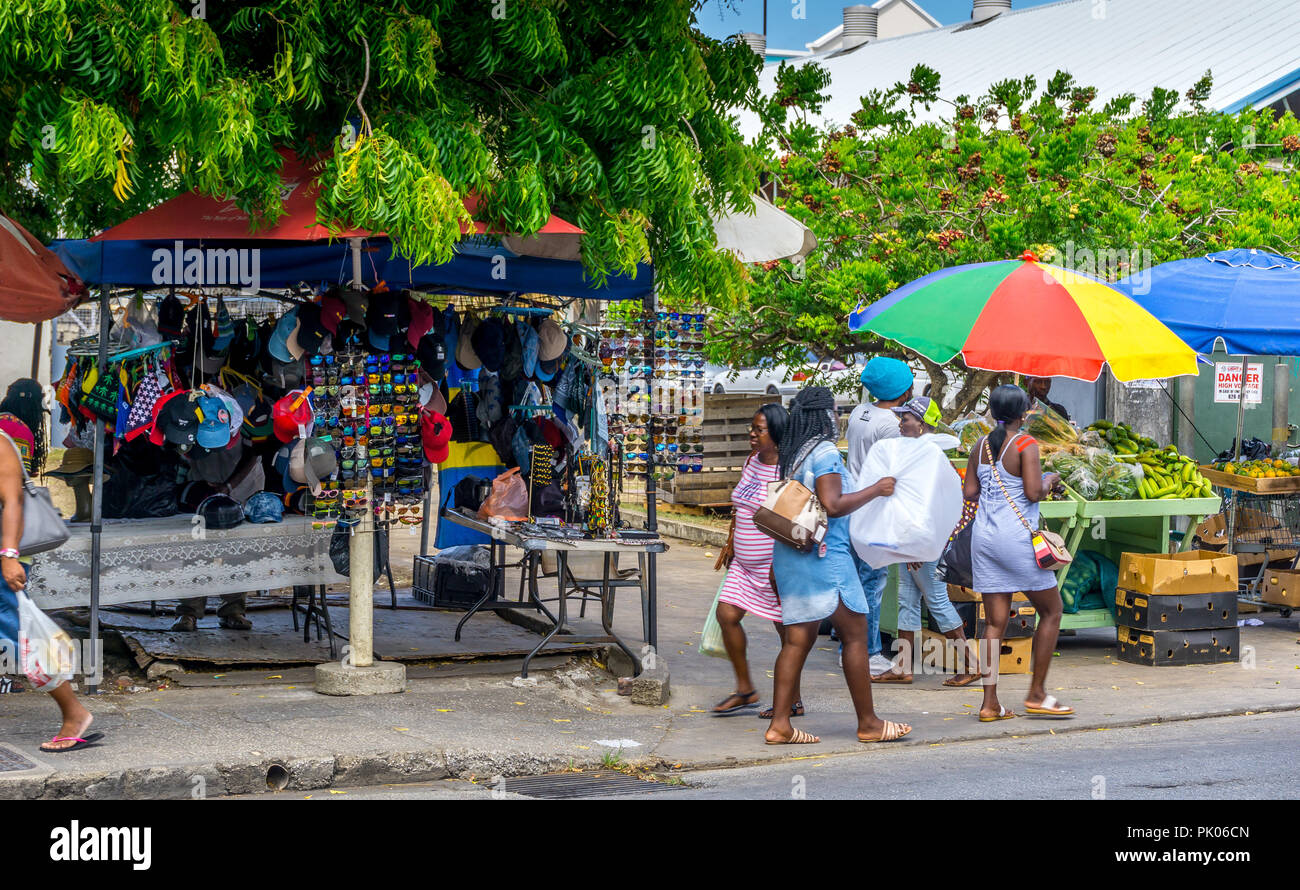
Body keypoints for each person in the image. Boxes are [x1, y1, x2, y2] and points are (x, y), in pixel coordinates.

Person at [764, 386, 910, 745]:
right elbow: (832, 503)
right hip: (825, 559)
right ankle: (869, 724)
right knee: (857, 635)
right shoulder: (825, 451)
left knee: (797, 641)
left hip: (790, 558)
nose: (836, 416)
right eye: (833, 411)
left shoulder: (795, 453)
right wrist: (876, 489)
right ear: (824, 414)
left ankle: (780, 725)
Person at [962, 384, 1072, 721]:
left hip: (984, 539)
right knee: (1052, 611)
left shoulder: (980, 445)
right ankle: (1036, 693)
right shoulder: (1026, 443)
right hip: (1016, 540)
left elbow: (969, 491)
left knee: (995, 623)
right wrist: (1051, 478)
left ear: (993, 412)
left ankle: (989, 703)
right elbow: (1033, 492)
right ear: (1023, 412)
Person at [0, 410, 102, 753]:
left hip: (3, 560)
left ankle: (75, 713)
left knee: (22, 639)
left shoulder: (0, 444)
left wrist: (9, 555)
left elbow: (12, 501)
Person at [870, 397, 980, 686]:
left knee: (936, 600)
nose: (901, 423)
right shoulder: (923, 452)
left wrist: (918, 543)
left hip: (924, 542)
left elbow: (929, 505)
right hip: (917, 540)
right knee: (907, 600)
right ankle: (903, 667)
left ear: (920, 424)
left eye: (906, 418)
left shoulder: (927, 457)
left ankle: (971, 664)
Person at [710, 404, 801, 717]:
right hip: (744, 565)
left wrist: (781, 565)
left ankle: (792, 699)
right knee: (726, 616)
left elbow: (789, 520)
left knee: (787, 634)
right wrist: (732, 542)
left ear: (775, 435)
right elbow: (741, 507)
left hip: (774, 566)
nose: (751, 433)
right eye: (752, 427)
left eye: (758, 430)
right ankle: (745, 688)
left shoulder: (786, 470)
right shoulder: (752, 461)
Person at [847, 356, 913, 677]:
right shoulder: (890, 425)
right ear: (903, 389)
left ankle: (852, 646)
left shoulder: (860, 412)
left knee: (858, 582)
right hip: (876, 510)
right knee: (873, 585)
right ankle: (870, 653)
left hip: (855, 506)